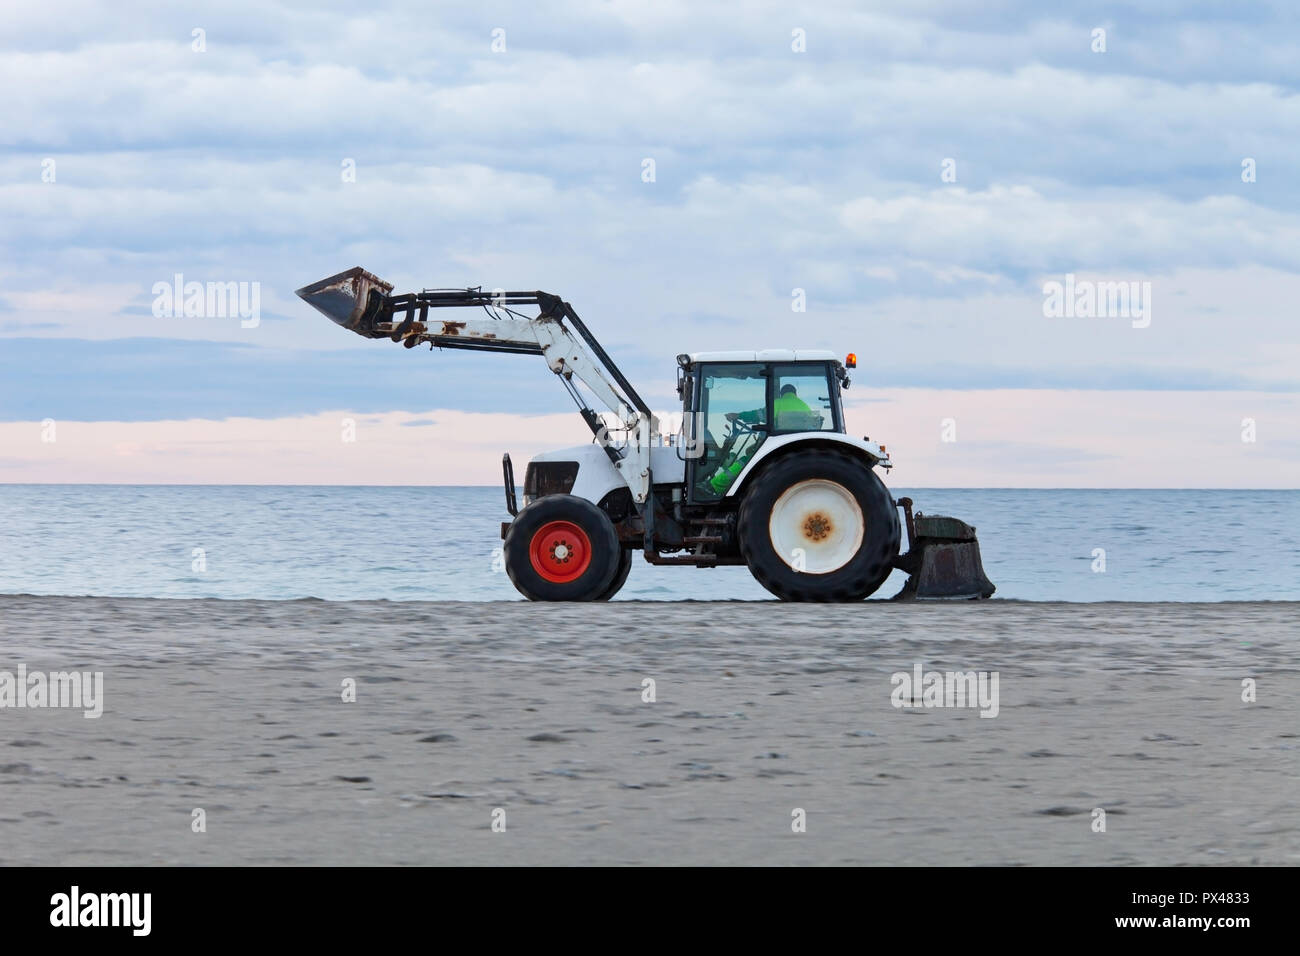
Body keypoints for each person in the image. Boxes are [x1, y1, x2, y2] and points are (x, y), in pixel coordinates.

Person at [706, 385, 815, 494]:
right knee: (751, 450)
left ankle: (715, 486)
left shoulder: (778, 403)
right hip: (795, 446)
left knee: (745, 461)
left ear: (782, 394)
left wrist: (739, 415)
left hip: (776, 445)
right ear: (795, 394)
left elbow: (759, 415)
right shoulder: (805, 406)